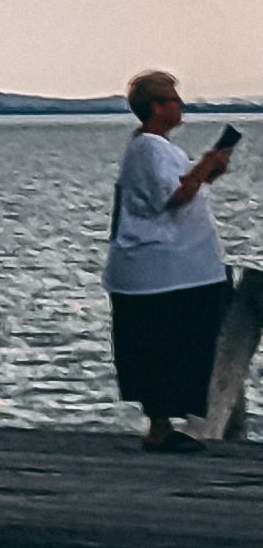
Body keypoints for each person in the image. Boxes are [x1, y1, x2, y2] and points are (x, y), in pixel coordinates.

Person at [103, 69, 235, 450]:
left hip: (173, 268)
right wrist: (206, 166)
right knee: (167, 344)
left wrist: (207, 173)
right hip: (164, 271)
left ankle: (163, 425)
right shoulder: (150, 148)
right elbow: (173, 197)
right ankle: (161, 426)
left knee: (166, 345)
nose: (181, 106)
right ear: (157, 107)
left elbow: (178, 191)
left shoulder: (152, 147)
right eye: (174, 100)